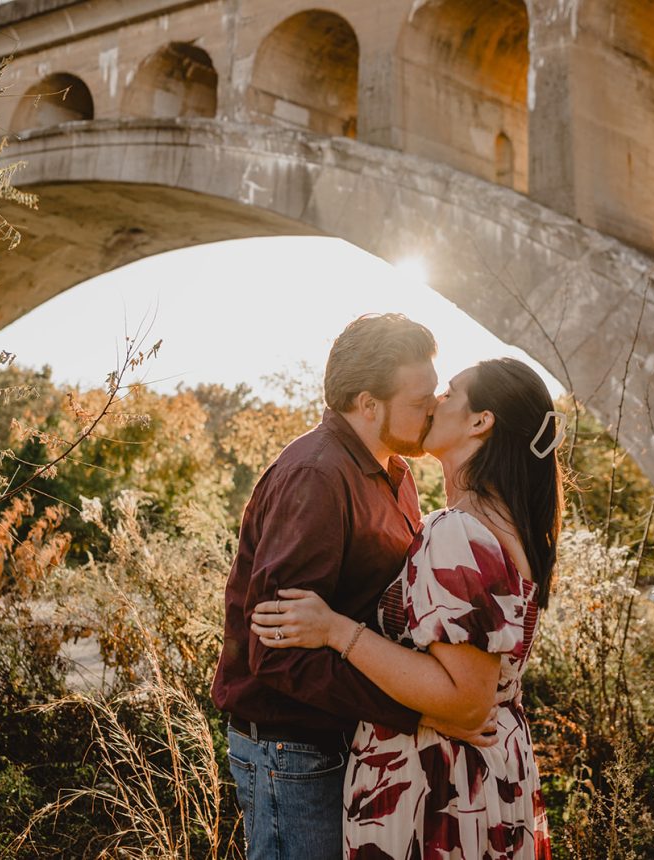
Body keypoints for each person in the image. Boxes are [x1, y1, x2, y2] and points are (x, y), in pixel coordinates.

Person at [252, 357, 561, 859]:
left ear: (481, 421)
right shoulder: (506, 523)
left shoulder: (459, 529)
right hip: (484, 769)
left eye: (450, 392)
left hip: (439, 782)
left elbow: (465, 699)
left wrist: (335, 630)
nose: (436, 400)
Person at [212, 314, 495, 860]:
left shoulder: (396, 473)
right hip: (291, 751)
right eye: (419, 401)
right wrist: (418, 712)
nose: (433, 409)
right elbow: (275, 654)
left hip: (347, 738)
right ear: (369, 405)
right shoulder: (317, 478)